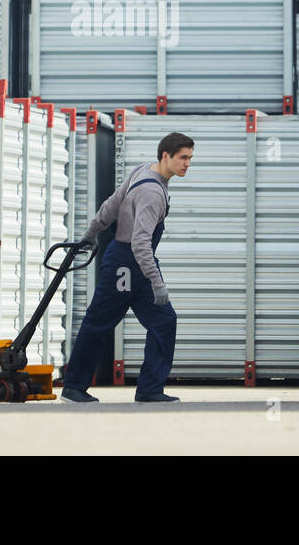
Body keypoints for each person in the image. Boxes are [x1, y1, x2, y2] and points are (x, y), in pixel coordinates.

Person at [60, 132, 194, 403]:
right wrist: (157, 283)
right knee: (99, 322)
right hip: (128, 264)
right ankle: (73, 387)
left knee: (164, 321)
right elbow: (141, 243)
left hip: (134, 263)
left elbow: (111, 205)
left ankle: (150, 390)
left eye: (190, 158)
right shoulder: (152, 192)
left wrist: (90, 234)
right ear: (165, 156)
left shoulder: (142, 170)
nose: (187, 164)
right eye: (183, 158)